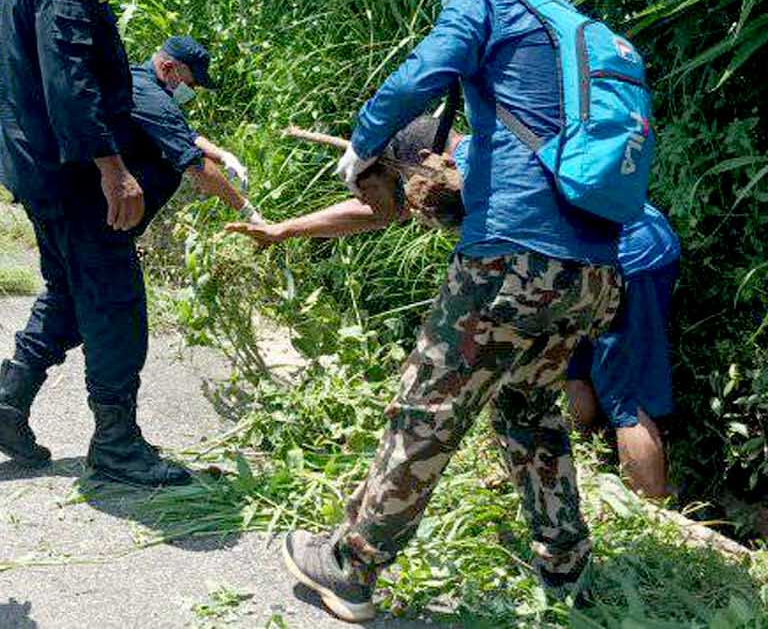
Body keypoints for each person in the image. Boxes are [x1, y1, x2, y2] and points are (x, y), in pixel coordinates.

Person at [275, 0, 626, 623]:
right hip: (594, 269)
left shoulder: (489, 3)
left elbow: (417, 79)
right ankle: (566, 572)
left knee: (428, 406)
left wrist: (363, 144)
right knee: (530, 411)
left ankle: (351, 566)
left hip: (511, 256)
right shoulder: (591, 34)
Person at [0, 0, 257, 487]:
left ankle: (6, 405)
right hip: (72, 174)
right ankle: (117, 443)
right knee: (117, 301)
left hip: (37, 166)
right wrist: (112, 169)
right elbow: (69, 79)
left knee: (72, 292)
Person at [227, 115, 682, 501]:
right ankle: (581, 472)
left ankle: (651, 517)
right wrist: (285, 229)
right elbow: (383, 212)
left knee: (625, 396)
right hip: (581, 260)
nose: (409, 193)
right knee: (570, 372)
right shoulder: (470, 156)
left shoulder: (470, 172)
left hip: (630, 257)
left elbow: (390, 212)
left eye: (404, 179)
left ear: (422, 161)